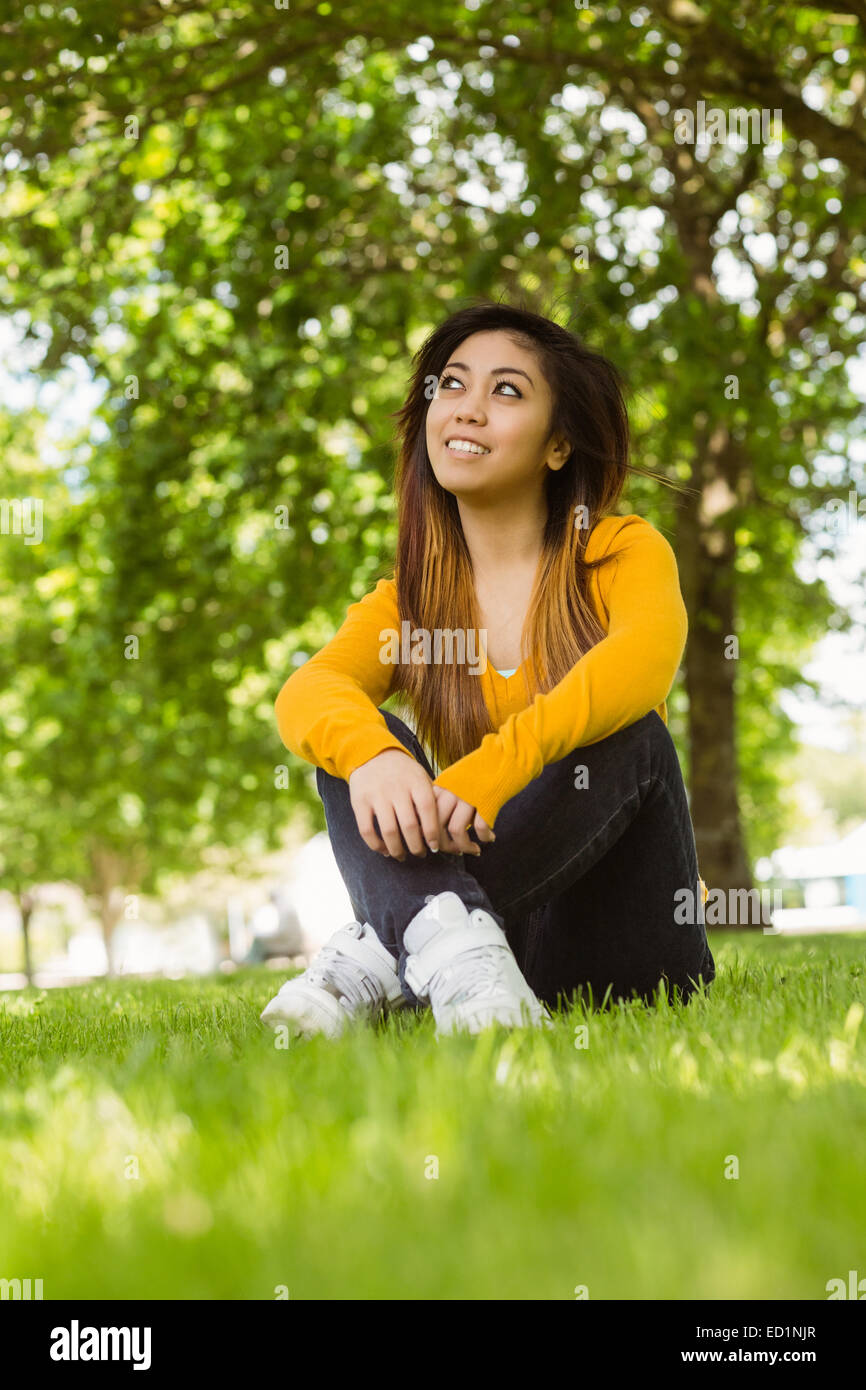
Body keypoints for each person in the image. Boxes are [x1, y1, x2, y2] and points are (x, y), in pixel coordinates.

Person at [261, 300, 715, 1040]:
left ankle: (386, 948)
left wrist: (493, 770)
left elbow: (642, 665)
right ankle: (445, 940)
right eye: (452, 385)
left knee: (632, 735)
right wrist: (375, 757)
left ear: (559, 445)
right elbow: (308, 691)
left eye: (506, 391)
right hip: (502, 948)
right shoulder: (407, 603)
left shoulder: (621, 551)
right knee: (350, 740)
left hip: (630, 945)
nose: (468, 410)